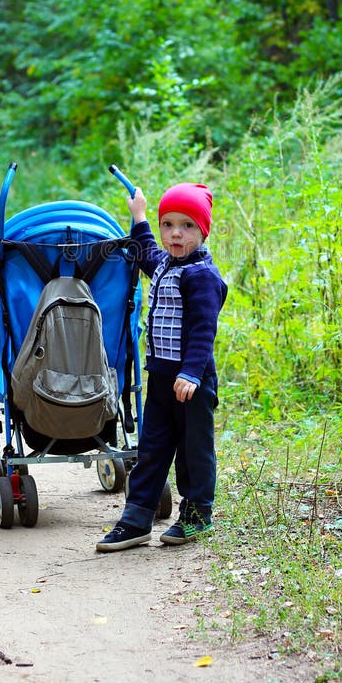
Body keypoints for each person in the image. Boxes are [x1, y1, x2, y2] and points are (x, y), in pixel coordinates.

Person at [96, 181, 228, 551]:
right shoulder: (168, 264)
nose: (174, 234)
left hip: (192, 381)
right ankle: (137, 518)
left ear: (203, 231)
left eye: (186, 226)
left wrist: (191, 373)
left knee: (193, 450)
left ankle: (198, 513)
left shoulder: (201, 275)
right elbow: (145, 253)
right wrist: (139, 216)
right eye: (167, 224)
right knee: (152, 447)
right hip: (161, 378)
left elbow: (204, 330)